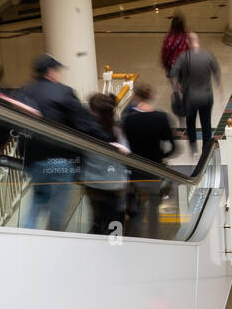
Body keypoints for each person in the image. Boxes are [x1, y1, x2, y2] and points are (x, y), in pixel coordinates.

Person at [17, 54, 108, 231]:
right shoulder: (63, 92)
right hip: (60, 160)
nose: (59, 75)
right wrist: (107, 140)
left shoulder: (24, 92)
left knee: (38, 198)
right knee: (58, 207)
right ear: (50, 72)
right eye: (57, 71)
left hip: (32, 159)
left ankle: (26, 234)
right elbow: (84, 123)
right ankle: (54, 237)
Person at [121, 83, 177, 239]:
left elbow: (124, 145)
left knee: (136, 207)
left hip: (135, 170)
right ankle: (154, 236)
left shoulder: (128, 120)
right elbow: (173, 146)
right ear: (151, 97)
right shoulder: (161, 117)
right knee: (154, 207)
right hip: (154, 169)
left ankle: (136, 236)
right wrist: (163, 157)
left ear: (136, 97)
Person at [82, 93, 129, 235]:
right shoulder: (117, 130)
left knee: (96, 218)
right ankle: (113, 244)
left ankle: (96, 241)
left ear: (94, 112)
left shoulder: (86, 130)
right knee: (114, 220)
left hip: (92, 183)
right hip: (115, 184)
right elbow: (126, 154)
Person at [170, 32, 223, 156]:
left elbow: (173, 75)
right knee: (206, 124)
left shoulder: (183, 57)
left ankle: (193, 148)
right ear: (198, 40)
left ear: (188, 43)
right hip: (206, 96)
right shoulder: (208, 55)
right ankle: (206, 149)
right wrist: (220, 91)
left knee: (190, 123)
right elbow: (217, 73)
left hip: (190, 98)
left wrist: (179, 88)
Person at [160, 14, 190, 79]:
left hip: (171, 66)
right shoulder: (186, 38)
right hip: (183, 66)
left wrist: (164, 63)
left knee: (174, 81)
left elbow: (164, 52)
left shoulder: (168, 38)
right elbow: (189, 53)